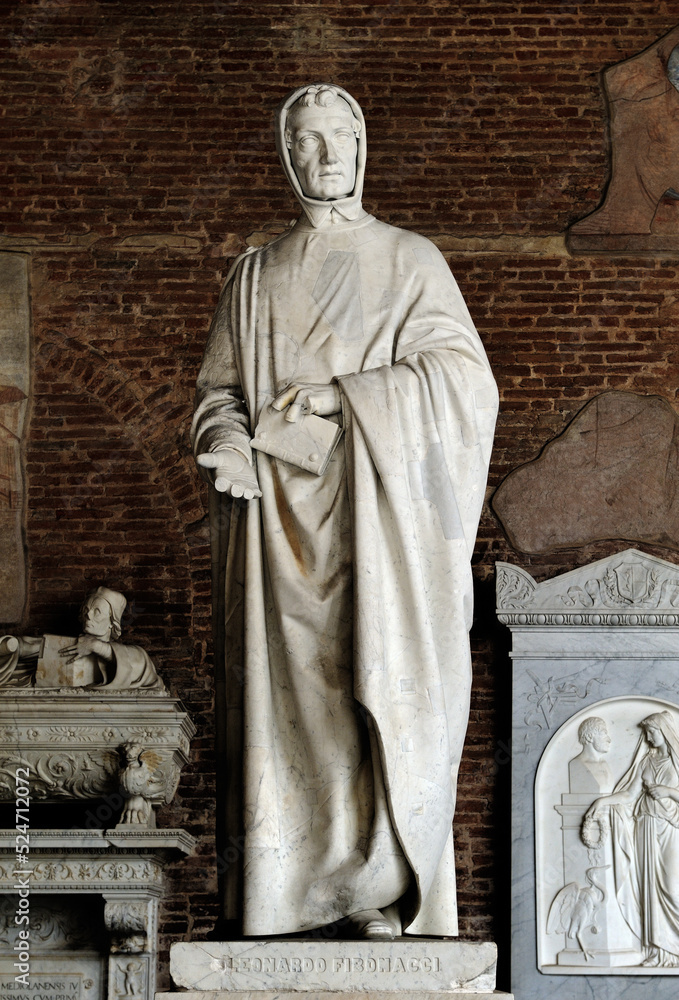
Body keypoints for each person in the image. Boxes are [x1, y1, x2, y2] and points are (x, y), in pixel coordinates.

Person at [191, 83, 497, 939]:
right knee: (295, 714)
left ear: (362, 150)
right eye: (305, 142)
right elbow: (217, 393)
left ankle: (376, 893)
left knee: (380, 694)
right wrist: (223, 444)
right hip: (275, 536)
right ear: (284, 156)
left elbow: (465, 383)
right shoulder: (253, 277)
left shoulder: (410, 260)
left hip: (379, 524)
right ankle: (284, 893)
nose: (324, 157)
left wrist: (343, 398)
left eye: (338, 139)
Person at [585, 711, 679, 967]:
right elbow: (629, 794)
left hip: (672, 829)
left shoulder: (677, 761)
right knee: (649, 888)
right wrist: (603, 800)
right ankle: (660, 951)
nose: (648, 738)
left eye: (652, 732)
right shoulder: (647, 762)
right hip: (646, 827)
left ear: (665, 732)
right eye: (647, 733)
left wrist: (669, 791)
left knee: (672, 888)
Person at [0, 586, 164, 690]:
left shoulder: (135, 656)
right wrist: (12, 645)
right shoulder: (63, 646)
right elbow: (30, 645)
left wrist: (97, 647)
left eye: (97, 612)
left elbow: (145, 674)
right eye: (86, 610)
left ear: (112, 622)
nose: (88, 616)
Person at [568, 716, 612, 794]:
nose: (609, 740)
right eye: (604, 733)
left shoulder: (605, 764)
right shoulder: (576, 764)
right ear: (589, 736)